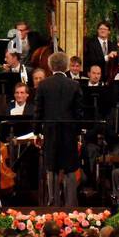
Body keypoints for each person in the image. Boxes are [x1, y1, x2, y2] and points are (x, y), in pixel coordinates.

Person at [35, 50, 82, 207]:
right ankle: (71, 204)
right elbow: (79, 113)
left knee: (52, 167)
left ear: (50, 66)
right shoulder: (74, 85)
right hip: (69, 134)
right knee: (70, 169)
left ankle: (52, 202)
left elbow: (38, 112)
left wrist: (37, 132)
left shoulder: (43, 85)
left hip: (50, 133)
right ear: (67, 66)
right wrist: (78, 134)